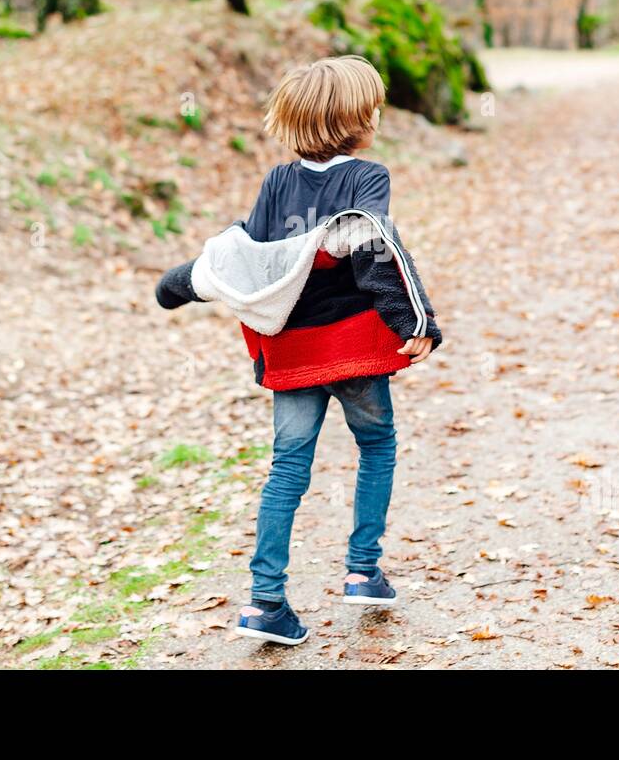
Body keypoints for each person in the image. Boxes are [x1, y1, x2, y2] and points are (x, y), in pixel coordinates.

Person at [156, 55, 441, 645]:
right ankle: (363, 571)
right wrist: (415, 320)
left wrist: (179, 284)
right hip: (353, 347)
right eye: (374, 104)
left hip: (292, 353)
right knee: (377, 444)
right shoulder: (368, 176)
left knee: (287, 467)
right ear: (359, 118)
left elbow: (250, 259)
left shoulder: (278, 181)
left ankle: (265, 603)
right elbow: (375, 251)